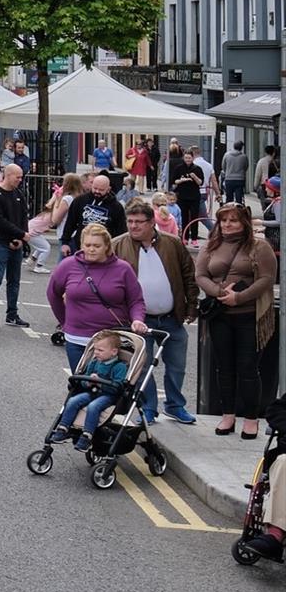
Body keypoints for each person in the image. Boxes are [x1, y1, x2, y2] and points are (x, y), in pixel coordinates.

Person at [112, 199, 198, 426]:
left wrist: (191, 306)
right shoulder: (118, 245)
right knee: (142, 366)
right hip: (138, 320)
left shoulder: (172, 244)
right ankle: (148, 408)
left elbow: (189, 274)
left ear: (152, 223)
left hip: (171, 318)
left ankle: (175, 406)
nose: (133, 226)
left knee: (177, 365)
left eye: (139, 222)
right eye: (130, 221)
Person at [195, 204, 276, 440]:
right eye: (224, 221)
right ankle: (227, 415)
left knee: (248, 369)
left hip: (250, 316)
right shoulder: (211, 245)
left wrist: (239, 297)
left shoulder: (260, 247)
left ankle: (251, 419)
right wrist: (220, 294)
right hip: (220, 315)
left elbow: (267, 279)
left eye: (234, 220)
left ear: (245, 223)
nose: (228, 225)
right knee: (224, 369)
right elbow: (200, 275)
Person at [47, 224, 148, 373]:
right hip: (77, 338)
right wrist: (64, 321)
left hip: (112, 339)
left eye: (97, 245)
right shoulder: (68, 265)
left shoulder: (123, 269)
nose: (91, 249)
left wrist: (138, 319)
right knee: (82, 384)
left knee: (111, 387)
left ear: (107, 246)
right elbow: (53, 294)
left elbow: (135, 300)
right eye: (87, 245)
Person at [49, 331, 131, 450]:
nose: (96, 352)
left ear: (114, 351)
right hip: (92, 391)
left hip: (108, 395)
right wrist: (88, 382)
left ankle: (87, 436)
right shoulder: (94, 362)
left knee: (93, 406)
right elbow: (84, 381)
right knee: (73, 401)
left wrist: (100, 383)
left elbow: (117, 387)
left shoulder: (120, 367)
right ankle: (63, 428)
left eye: (100, 350)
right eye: (96, 349)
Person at [0, 165, 32, 329]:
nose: (20, 180)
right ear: (8, 175)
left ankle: (12, 314)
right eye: (17, 177)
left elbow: (24, 217)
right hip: (0, 243)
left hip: (16, 242)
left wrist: (21, 238)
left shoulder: (19, 194)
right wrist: (19, 234)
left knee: (14, 280)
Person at [61, 172, 127, 256]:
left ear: (108, 189)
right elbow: (70, 222)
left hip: (104, 251)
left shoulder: (116, 207)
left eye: (101, 190)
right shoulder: (80, 200)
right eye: (95, 188)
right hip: (80, 247)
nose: (97, 191)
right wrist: (65, 242)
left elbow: (121, 231)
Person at [170, 155, 206, 241]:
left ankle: (194, 238)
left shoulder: (197, 168)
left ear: (192, 158)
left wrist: (194, 177)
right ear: (183, 158)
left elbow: (200, 183)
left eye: (189, 158)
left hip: (194, 196)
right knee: (184, 217)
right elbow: (174, 180)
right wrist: (181, 180)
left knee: (194, 218)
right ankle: (185, 237)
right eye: (186, 158)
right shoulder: (179, 168)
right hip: (182, 196)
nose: (187, 160)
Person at [222, 141, 249, 208]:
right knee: (239, 198)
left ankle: (228, 210)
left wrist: (228, 172)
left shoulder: (226, 155)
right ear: (241, 147)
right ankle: (238, 211)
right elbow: (245, 167)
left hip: (229, 179)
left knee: (229, 197)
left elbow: (223, 166)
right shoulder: (244, 156)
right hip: (240, 179)